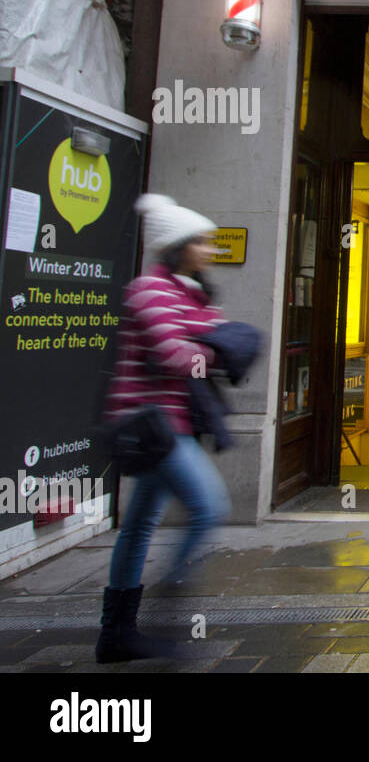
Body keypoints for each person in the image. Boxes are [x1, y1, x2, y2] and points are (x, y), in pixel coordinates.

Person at [95, 194, 233, 662]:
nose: (208, 250)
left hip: (167, 423)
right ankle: (169, 592)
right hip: (153, 426)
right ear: (177, 245)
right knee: (210, 506)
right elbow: (177, 356)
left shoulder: (185, 290)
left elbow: (212, 330)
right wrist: (218, 351)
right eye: (200, 241)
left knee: (138, 526)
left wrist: (216, 340)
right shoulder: (150, 290)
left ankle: (116, 633)